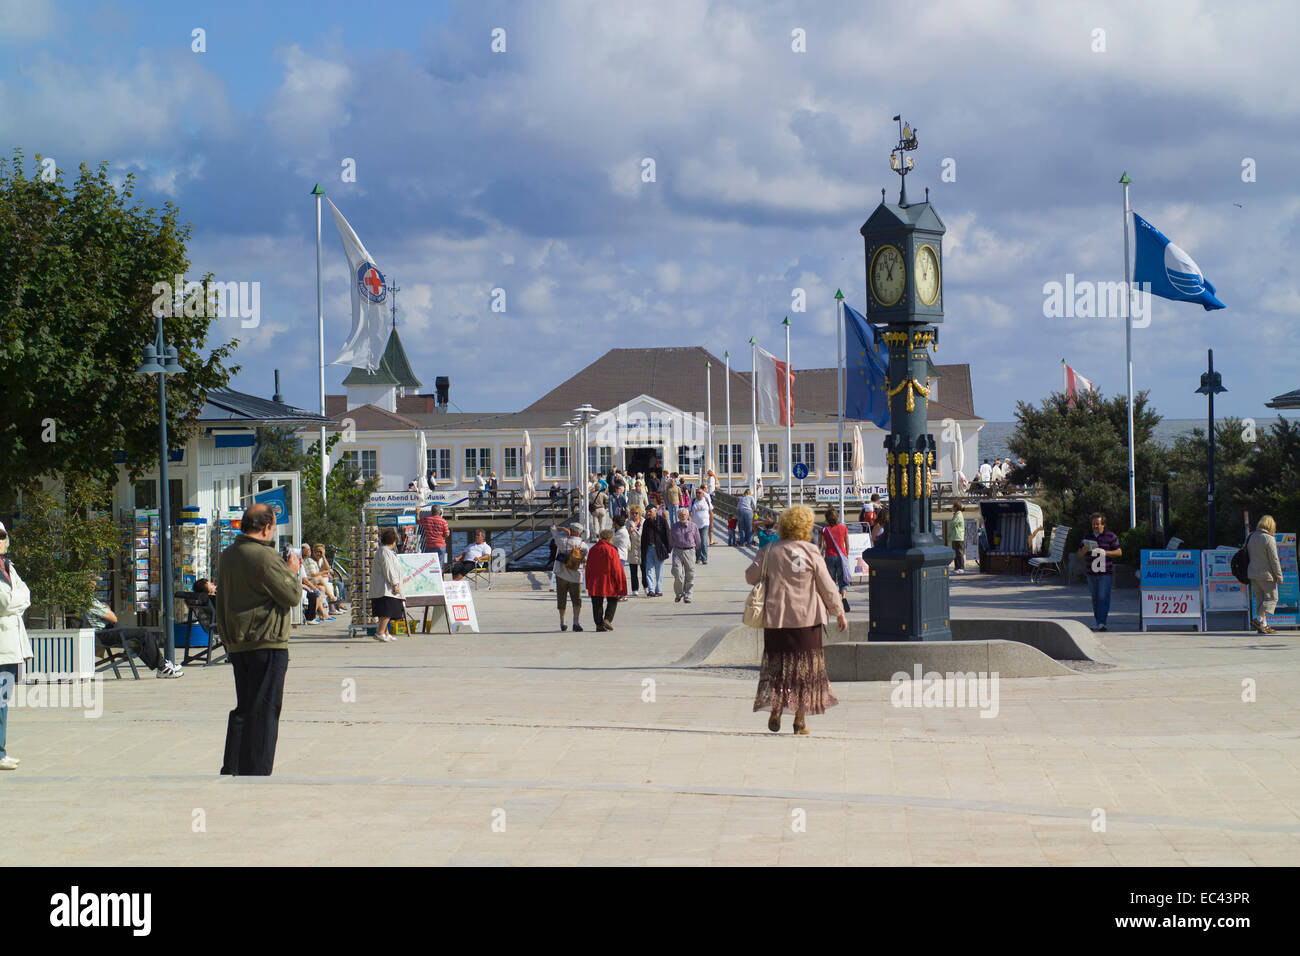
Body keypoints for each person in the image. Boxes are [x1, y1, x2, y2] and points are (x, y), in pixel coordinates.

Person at [216, 503, 303, 776]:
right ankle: (256, 769)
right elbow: (292, 596)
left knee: (245, 706)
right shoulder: (264, 558)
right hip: (266, 640)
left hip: (238, 642)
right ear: (266, 527)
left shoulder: (228, 555)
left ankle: (233, 765)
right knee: (265, 710)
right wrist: (291, 570)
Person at [746, 505, 847, 735]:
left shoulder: (770, 550)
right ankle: (800, 719)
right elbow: (828, 586)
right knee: (805, 670)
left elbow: (750, 577)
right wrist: (838, 612)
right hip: (807, 621)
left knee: (778, 667)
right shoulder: (812, 552)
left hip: (777, 619)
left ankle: (777, 710)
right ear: (806, 527)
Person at [85, 586, 183, 677]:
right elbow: (114, 618)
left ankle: (162, 665)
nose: (95, 585)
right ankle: (162, 667)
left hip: (101, 634)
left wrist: (106, 609)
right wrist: (107, 609)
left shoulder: (84, 602)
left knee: (140, 638)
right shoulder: (91, 602)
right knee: (144, 633)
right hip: (105, 634)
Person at [0, 521, 33, 771]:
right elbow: (5, 601)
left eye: (1, 536)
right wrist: (17, 600)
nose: (0, 541)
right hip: (2, 645)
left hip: (11, 646)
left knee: (3, 701)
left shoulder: (8, 566)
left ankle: (1, 751)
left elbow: (25, 594)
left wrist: (16, 600)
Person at [1078, 512, 1121, 631]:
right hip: (1091, 572)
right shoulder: (1087, 537)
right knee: (1095, 598)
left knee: (1103, 597)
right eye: (1093, 524)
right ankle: (1098, 622)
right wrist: (1084, 549)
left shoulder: (1110, 536)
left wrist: (1106, 553)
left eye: (1097, 524)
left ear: (1103, 525)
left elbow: (1119, 552)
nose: (1095, 526)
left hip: (1105, 572)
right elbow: (1079, 554)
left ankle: (1102, 622)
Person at [1247, 515, 1285, 634]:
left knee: (1260, 600)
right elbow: (1274, 560)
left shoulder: (1251, 536)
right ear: (1271, 525)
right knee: (1272, 598)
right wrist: (1279, 576)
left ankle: (1264, 626)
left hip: (1253, 573)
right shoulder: (1269, 538)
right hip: (1266, 575)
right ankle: (1258, 620)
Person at [584, 529, 627, 631]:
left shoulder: (593, 549)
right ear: (610, 538)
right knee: (612, 600)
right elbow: (616, 568)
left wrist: (587, 581)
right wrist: (619, 582)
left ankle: (599, 624)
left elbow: (588, 566)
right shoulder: (611, 550)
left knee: (596, 602)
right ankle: (607, 619)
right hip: (609, 580)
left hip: (595, 580)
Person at [369, 527, 405, 642]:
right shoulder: (385, 552)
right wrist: (395, 584)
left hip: (384, 587)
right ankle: (380, 632)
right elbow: (389, 569)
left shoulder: (384, 551)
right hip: (386, 588)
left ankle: (386, 632)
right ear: (393, 541)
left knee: (384, 611)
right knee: (387, 611)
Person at [550, 523, 586, 631]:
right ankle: (576, 622)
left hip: (561, 574)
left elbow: (552, 529)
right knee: (576, 600)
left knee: (562, 599)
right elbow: (585, 561)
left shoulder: (563, 541)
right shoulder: (583, 545)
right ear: (581, 533)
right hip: (576, 576)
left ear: (570, 530)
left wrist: (561, 529)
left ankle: (563, 622)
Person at [818, 508, 851, 613]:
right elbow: (847, 544)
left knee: (831, 581)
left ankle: (832, 602)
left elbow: (821, 545)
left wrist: (818, 555)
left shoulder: (824, 530)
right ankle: (844, 597)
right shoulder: (843, 528)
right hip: (841, 557)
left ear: (827, 518)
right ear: (837, 517)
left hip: (829, 556)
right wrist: (846, 555)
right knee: (842, 579)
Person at [669, 506, 701, 604]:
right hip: (677, 551)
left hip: (689, 551)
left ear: (688, 516)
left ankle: (688, 595)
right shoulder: (674, 526)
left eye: (685, 515)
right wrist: (669, 550)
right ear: (678, 516)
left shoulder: (693, 526)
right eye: (681, 515)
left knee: (690, 574)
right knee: (677, 573)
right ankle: (679, 594)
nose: (683, 516)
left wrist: (696, 552)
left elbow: (698, 540)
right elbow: (670, 539)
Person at [301, 544, 342, 612]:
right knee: (326, 583)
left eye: (321, 552)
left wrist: (324, 556)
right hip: (310, 581)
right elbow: (313, 574)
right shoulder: (309, 560)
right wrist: (326, 572)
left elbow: (327, 569)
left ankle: (327, 611)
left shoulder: (320, 560)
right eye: (317, 551)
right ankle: (332, 601)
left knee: (334, 585)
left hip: (315, 580)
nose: (318, 553)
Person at [640, 505, 670, 597]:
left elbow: (667, 535)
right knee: (648, 569)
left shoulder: (662, 521)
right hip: (649, 548)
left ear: (655, 511)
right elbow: (643, 537)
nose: (648, 513)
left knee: (659, 570)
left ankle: (659, 590)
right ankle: (651, 589)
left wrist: (668, 549)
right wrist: (643, 550)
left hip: (659, 548)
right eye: (647, 511)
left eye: (650, 511)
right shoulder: (646, 522)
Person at [419, 505, 451, 572]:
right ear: (439, 512)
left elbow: (418, 521)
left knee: (430, 564)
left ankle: (432, 579)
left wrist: (417, 513)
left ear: (431, 511)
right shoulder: (443, 521)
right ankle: (439, 579)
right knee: (439, 564)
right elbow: (447, 534)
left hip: (429, 545)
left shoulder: (426, 519)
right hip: (440, 545)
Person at [611, 514, 631, 598]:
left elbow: (610, 538)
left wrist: (612, 529)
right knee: (616, 575)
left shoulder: (622, 532)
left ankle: (622, 594)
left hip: (620, 556)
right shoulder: (618, 530)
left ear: (616, 523)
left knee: (619, 576)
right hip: (617, 556)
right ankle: (618, 592)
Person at [690, 487, 712, 564]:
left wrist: (711, 523)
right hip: (695, 525)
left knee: (704, 542)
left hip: (705, 524)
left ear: (703, 494)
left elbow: (711, 512)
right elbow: (690, 512)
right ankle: (698, 557)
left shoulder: (706, 500)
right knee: (697, 542)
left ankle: (704, 558)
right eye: (697, 493)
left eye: (700, 493)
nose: (698, 494)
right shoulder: (693, 501)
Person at [626, 506, 645, 596]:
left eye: (636, 513)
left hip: (642, 549)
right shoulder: (628, 522)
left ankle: (646, 587)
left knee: (644, 570)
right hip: (632, 550)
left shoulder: (644, 522)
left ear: (640, 513)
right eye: (633, 513)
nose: (634, 515)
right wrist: (629, 531)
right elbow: (624, 535)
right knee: (633, 571)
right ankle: (634, 589)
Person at [948, 502, 966, 573]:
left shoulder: (958, 515)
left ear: (956, 507)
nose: (952, 508)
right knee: (956, 553)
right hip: (955, 536)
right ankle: (957, 567)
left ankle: (961, 567)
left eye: (953, 507)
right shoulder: (956, 514)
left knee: (959, 552)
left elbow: (953, 524)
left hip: (958, 536)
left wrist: (951, 523)